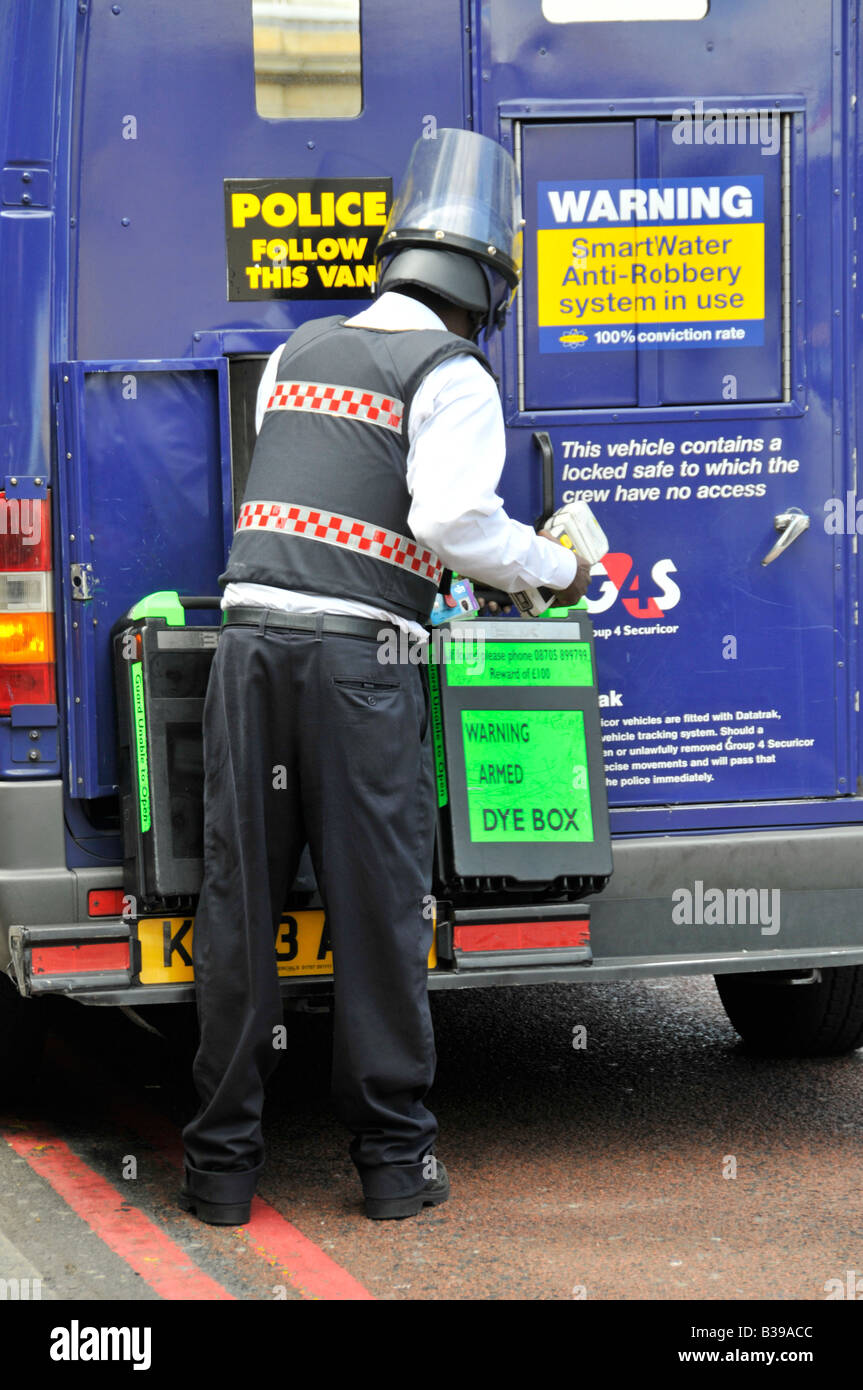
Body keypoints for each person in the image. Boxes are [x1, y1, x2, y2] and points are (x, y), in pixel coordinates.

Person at [180, 129, 591, 1226]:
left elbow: (323, 501)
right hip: (358, 666)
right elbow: (448, 520)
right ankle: (392, 1166)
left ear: (395, 257)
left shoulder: (298, 351)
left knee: (239, 908)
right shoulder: (449, 377)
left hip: (248, 648)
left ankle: (218, 1173)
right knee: (374, 913)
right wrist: (553, 567)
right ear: (486, 288)